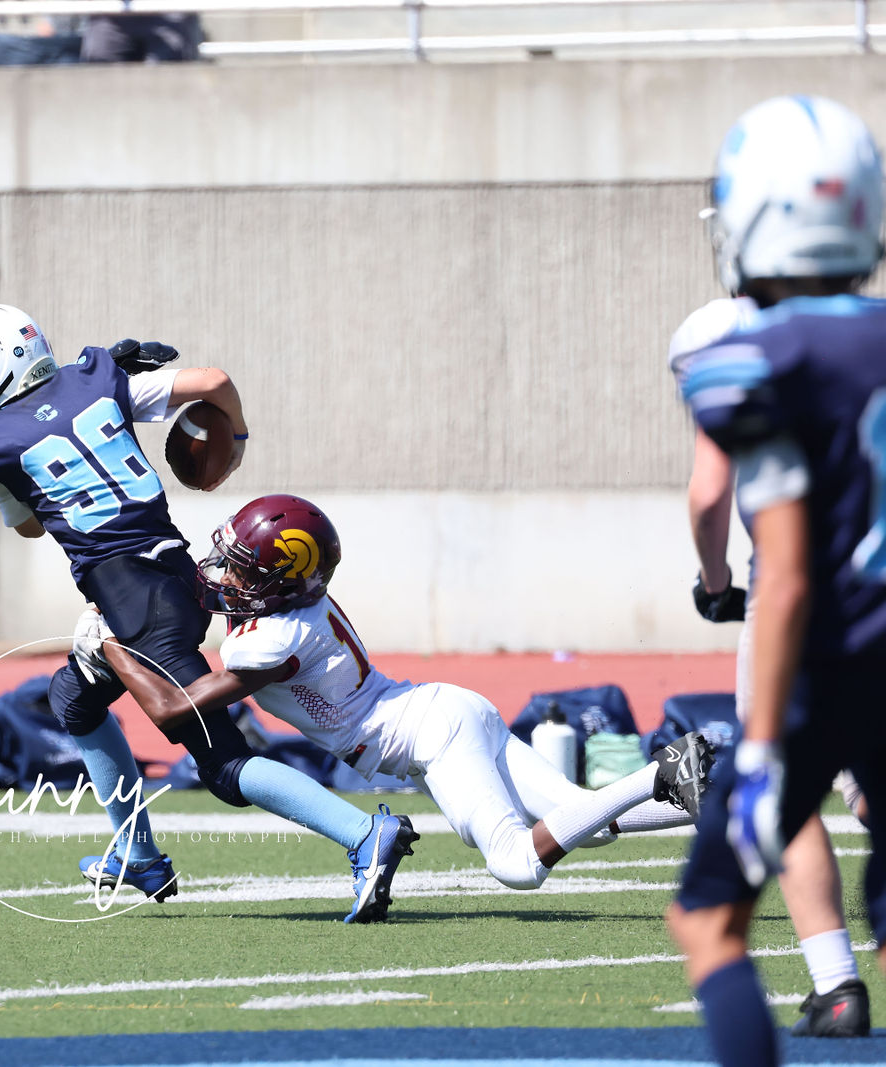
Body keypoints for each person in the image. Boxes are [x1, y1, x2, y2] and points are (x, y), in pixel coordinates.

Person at [0, 304, 416, 923]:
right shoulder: (96, 379)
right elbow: (213, 382)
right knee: (74, 700)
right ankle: (136, 852)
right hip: (177, 578)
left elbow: (30, 527)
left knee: (222, 762)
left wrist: (7, 477)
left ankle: (360, 834)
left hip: (135, 609)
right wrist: (232, 444)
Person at [90, 494, 711, 895]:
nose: (224, 576)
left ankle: (660, 772)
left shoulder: (273, 639)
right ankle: (718, 802)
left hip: (433, 732)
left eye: (242, 570)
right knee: (589, 824)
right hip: (444, 710)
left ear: (277, 583)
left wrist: (109, 644)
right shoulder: (295, 608)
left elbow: (172, 708)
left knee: (516, 864)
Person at [666, 93, 886, 1066]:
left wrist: (758, 744)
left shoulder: (746, 357)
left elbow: (786, 569)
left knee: (708, 916)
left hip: (831, 663)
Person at [670, 297, 870, 1035]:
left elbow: (711, 489)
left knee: (774, 798)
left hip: (799, 592)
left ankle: (835, 982)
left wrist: (716, 583)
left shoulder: (742, 360)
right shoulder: (864, 340)